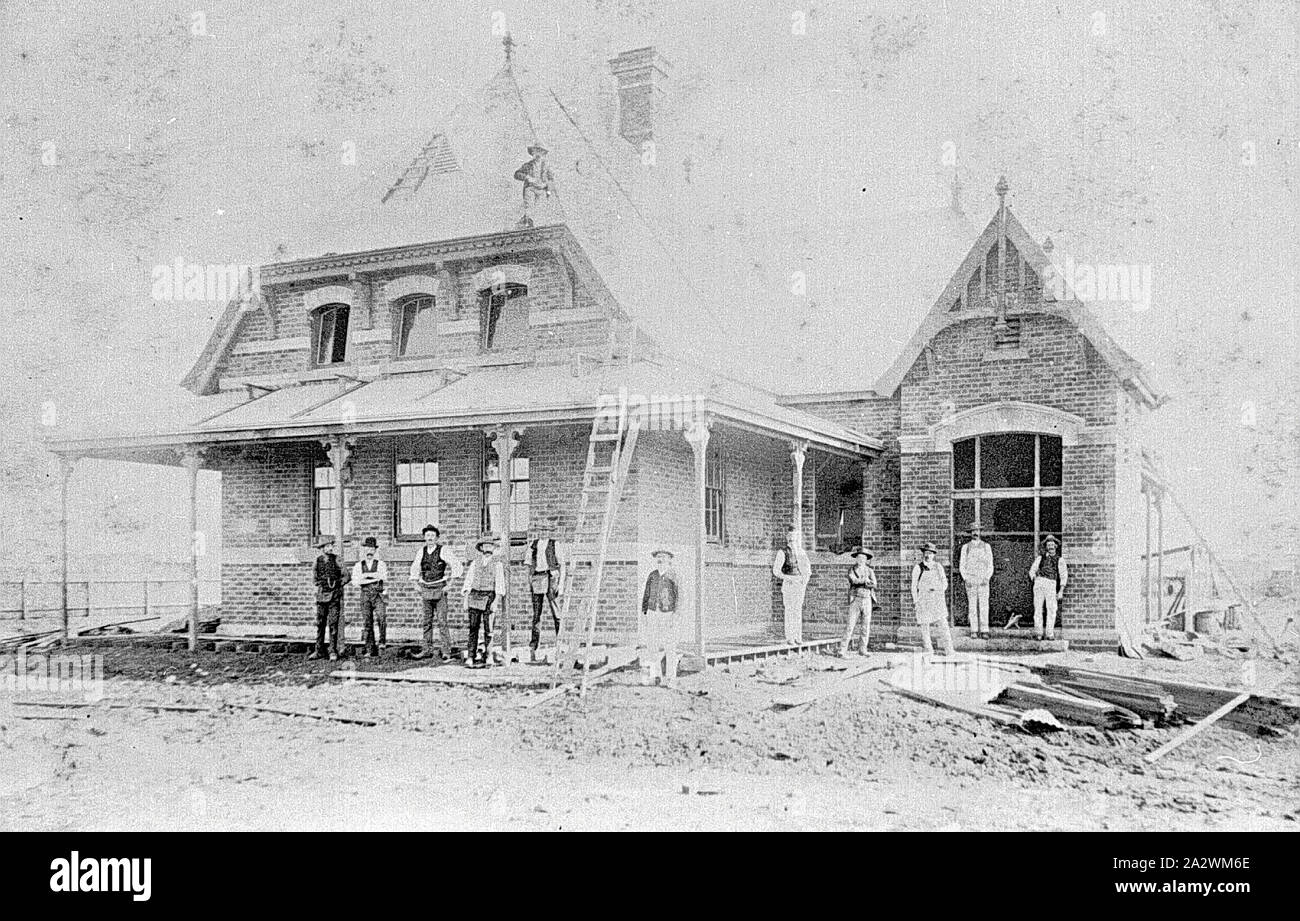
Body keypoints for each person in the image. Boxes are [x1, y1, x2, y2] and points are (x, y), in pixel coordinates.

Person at [409, 524, 463, 661]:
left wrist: (450, 584)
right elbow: (415, 568)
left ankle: (446, 651)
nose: (430, 538)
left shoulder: (443, 550)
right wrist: (416, 584)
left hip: (439, 589)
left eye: (433, 536)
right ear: (424, 538)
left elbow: (457, 565)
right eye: (427, 535)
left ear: (437, 538)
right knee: (426, 621)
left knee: (442, 621)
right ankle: (426, 649)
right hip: (426, 589)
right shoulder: (421, 552)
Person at [461, 537, 506, 668]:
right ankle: (471, 656)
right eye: (485, 546)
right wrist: (466, 600)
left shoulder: (497, 564)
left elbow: (500, 584)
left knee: (489, 628)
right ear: (481, 548)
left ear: (493, 548)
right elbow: (468, 582)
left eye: (490, 546)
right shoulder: (475, 563)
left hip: (489, 596)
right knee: (473, 627)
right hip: (475, 596)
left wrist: (496, 601)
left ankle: (489, 656)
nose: (487, 548)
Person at [527, 517, 566, 662]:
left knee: (556, 612)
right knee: (536, 614)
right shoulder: (534, 544)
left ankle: (561, 644)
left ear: (549, 532)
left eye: (546, 530)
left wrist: (561, 585)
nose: (543, 532)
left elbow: (562, 565)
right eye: (541, 530)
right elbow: (529, 564)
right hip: (538, 578)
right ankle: (533, 645)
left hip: (552, 578)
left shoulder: (555, 544)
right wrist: (530, 580)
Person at [639, 549, 680, 687]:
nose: (660, 559)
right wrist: (644, 612)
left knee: (670, 646)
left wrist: (675, 615)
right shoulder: (652, 575)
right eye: (658, 557)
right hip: (652, 613)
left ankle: (670, 679)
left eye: (663, 557)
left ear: (669, 559)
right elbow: (646, 594)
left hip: (667, 614)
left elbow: (679, 597)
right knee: (652, 646)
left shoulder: (673, 575)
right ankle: (655, 676)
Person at [911, 541, 955, 656]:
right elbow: (914, 586)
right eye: (926, 552)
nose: (928, 555)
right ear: (923, 554)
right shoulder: (918, 567)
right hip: (923, 599)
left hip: (936, 599)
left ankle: (949, 649)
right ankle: (928, 649)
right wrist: (916, 601)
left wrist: (937, 589)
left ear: (934, 554)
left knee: (943, 624)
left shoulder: (938, 566)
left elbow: (944, 583)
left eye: (930, 553)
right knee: (925, 625)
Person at [311, 537, 350, 661]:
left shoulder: (337, 559)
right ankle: (319, 650)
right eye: (327, 546)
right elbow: (315, 579)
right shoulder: (317, 561)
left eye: (331, 546)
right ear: (322, 549)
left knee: (333, 624)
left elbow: (347, 576)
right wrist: (321, 584)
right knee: (320, 623)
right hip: (322, 596)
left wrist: (338, 584)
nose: (330, 548)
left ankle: (333, 650)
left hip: (334, 596)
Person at [772, 526, 810, 644]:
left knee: (797, 610)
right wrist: (787, 578)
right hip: (789, 583)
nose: (792, 539)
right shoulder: (782, 552)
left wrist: (805, 580)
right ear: (787, 538)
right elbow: (776, 571)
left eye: (795, 537)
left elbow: (807, 569)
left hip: (799, 584)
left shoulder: (802, 552)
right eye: (790, 537)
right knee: (789, 610)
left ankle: (798, 636)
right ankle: (790, 637)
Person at [352, 536, 388, 658]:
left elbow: (382, 577)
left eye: (372, 548)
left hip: (378, 594)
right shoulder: (358, 565)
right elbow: (356, 582)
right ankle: (369, 648)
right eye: (367, 548)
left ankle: (382, 642)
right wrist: (372, 577)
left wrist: (366, 577)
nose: (369, 551)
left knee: (382, 617)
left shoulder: (381, 564)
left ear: (375, 550)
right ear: (364, 550)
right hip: (365, 595)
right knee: (367, 622)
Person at [1028, 535, 1068, 640]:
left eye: (1052, 544)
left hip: (1051, 584)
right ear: (1046, 546)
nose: (1050, 546)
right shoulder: (1040, 558)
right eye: (1048, 544)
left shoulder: (1060, 560)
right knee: (1038, 609)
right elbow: (1032, 570)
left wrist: (1061, 591)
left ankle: (1050, 633)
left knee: (1051, 609)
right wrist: (1035, 578)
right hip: (1040, 583)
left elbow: (1063, 576)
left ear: (1056, 546)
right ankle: (1039, 633)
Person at [958, 525, 994, 639]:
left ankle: (984, 630)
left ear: (980, 532)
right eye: (973, 531)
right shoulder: (966, 547)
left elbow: (990, 565)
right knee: (972, 606)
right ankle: (974, 630)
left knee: (984, 605)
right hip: (971, 579)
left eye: (977, 531)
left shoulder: (986, 547)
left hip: (983, 579)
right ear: (970, 533)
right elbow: (962, 565)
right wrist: (966, 578)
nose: (975, 533)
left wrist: (987, 577)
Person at [840, 547, 878, 656]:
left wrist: (866, 582)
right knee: (850, 625)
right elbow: (853, 580)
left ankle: (863, 649)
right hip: (856, 599)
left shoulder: (870, 570)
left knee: (865, 626)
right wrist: (865, 581)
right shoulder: (852, 569)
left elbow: (874, 584)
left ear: (866, 560)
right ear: (856, 559)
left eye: (863, 558)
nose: (861, 560)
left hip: (867, 599)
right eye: (859, 557)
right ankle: (842, 650)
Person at [513, 143, 555, 225]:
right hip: (531, 188)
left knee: (540, 209)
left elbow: (551, 179)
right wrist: (527, 177)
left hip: (541, 189)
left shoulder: (546, 167)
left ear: (543, 154)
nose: (538, 154)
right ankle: (527, 222)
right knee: (529, 207)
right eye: (536, 151)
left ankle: (538, 224)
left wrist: (548, 189)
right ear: (533, 153)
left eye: (540, 152)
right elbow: (517, 174)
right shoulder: (528, 165)